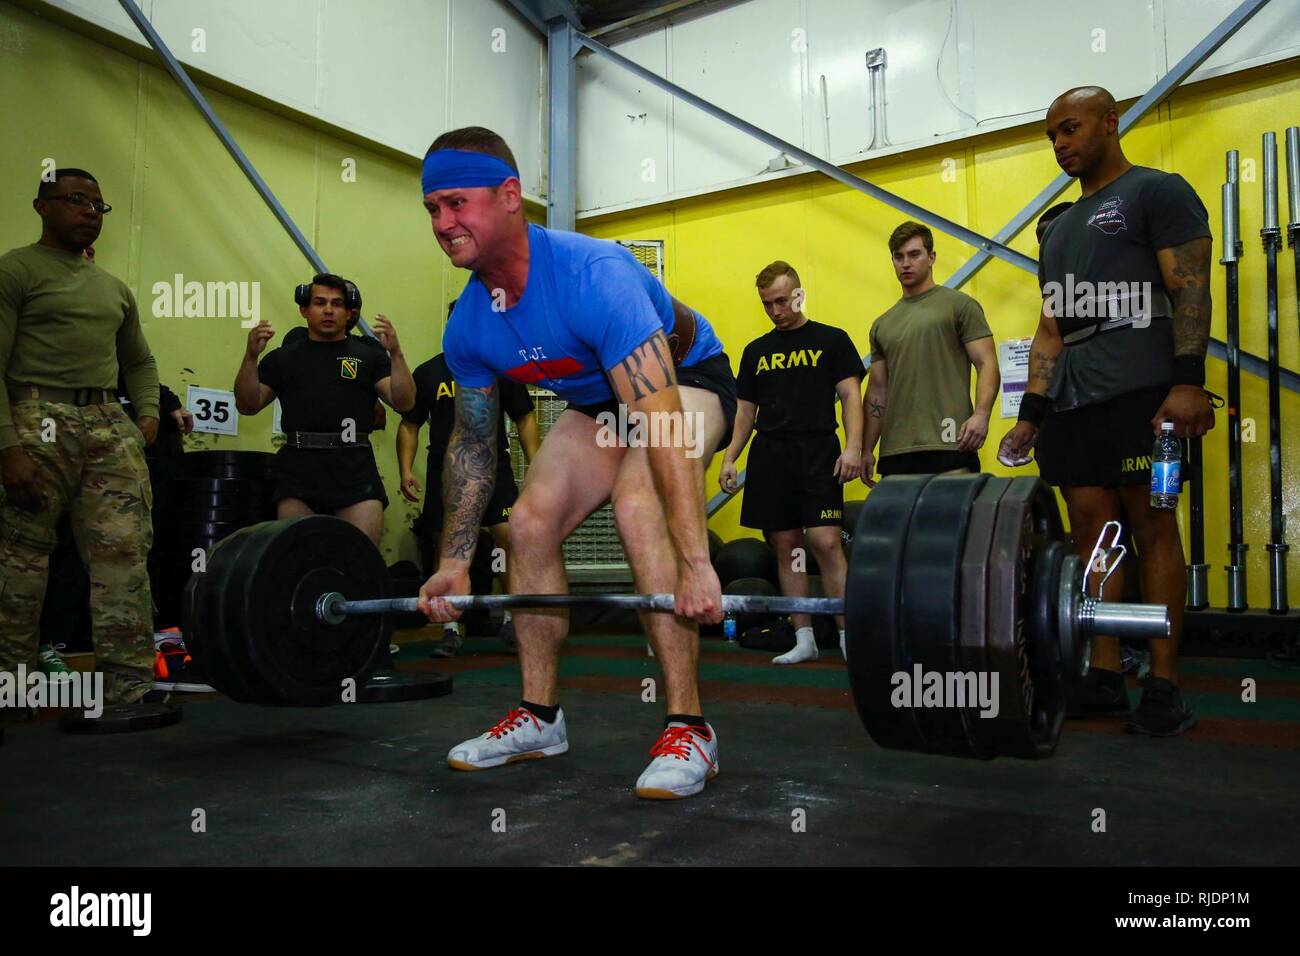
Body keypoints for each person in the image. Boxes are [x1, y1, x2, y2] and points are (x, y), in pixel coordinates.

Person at [415, 126, 737, 800]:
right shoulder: (470, 322)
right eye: (432, 209)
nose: (443, 224)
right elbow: (473, 446)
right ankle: (539, 717)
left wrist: (698, 562)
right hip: (600, 402)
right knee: (530, 521)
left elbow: (662, 422)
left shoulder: (596, 276)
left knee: (638, 504)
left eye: (456, 203)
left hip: (688, 379)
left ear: (509, 197)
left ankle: (690, 726)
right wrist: (454, 560)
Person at [998, 86, 1213, 737]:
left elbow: (1191, 287)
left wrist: (1188, 384)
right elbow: (1050, 329)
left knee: (1156, 521)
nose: (1061, 144)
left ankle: (1165, 682)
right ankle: (1103, 673)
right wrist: (1033, 411)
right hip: (1075, 402)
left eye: (1070, 128)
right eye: (1052, 136)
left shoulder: (1157, 191)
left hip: (1150, 397)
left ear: (1110, 121)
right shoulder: (1059, 228)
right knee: (1092, 532)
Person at [0, 168, 160, 707]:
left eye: (98, 204)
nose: (90, 211)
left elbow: (138, 359)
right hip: (35, 418)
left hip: (106, 423)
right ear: (42, 206)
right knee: (20, 559)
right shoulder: (15, 271)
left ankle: (129, 689)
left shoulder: (113, 288)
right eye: (76, 200)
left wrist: (149, 415)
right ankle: (14, 691)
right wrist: (8, 447)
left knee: (124, 555)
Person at [719, 261, 863, 664]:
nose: (775, 310)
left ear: (799, 294)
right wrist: (730, 458)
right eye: (767, 304)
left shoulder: (832, 341)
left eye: (782, 301)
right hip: (771, 455)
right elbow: (745, 412)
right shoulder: (756, 351)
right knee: (785, 546)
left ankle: (849, 634)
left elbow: (852, 397)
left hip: (818, 450)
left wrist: (853, 448)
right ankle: (804, 638)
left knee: (826, 542)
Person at [398, 299, 541, 655]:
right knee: (444, 544)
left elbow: (525, 418)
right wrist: (405, 470)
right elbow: (409, 424)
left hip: (496, 470)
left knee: (509, 539)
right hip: (444, 473)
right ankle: (450, 627)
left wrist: (538, 468)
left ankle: (511, 621)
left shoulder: (501, 370)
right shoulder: (430, 372)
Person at [233, 274, 414, 547]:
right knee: (298, 562)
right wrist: (250, 357)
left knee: (359, 562)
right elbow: (247, 405)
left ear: (349, 312)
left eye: (337, 304)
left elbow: (404, 402)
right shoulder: (284, 358)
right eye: (319, 303)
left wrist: (396, 354)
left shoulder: (368, 355)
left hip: (355, 470)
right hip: (298, 472)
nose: (328, 310)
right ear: (305, 310)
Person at [862, 222, 999, 482]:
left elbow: (987, 363)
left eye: (914, 255)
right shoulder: (882, 324)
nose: (906, 263)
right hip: (896, 452)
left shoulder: (960, 306)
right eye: (898, 257)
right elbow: (877, 390)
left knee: (950, 523)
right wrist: (867, 449)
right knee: (903, 525)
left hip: (951, 444)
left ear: (931, 257)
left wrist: (981, 415)